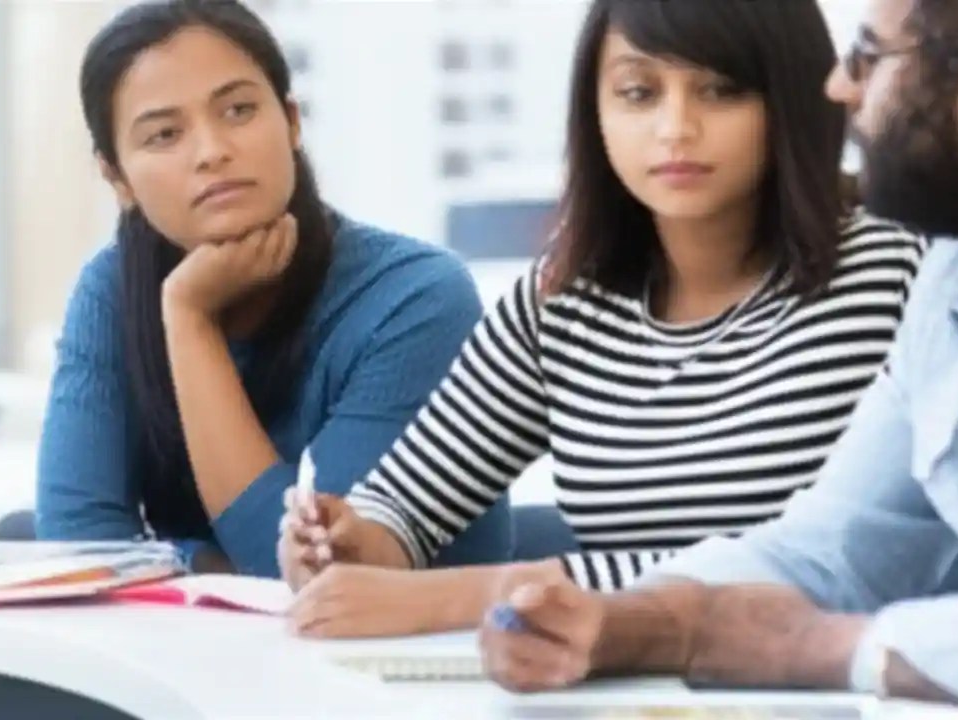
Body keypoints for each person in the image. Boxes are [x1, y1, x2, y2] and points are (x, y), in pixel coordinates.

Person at [474, 0, 958, 710]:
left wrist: (826, 646)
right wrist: (629, 624)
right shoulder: (954, 280)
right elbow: (833, 543)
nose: (839, 87)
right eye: (638, 92)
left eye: (870, 58)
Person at [277, 0, 925, 639]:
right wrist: (344, 543)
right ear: (596, 113)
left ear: (791, 97)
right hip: (620, 684)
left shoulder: (892, 271)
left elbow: (819, 565)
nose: (675, 127)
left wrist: (480, 594)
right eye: (639, 93)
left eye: (721, 90)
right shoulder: (562, 302)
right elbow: (405, 504)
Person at [35, 0, 511, 577]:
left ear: (291, 121)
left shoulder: (418, 298)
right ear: (117, 177)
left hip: (408, 635)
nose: (212, 151)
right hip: (192, 634)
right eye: (164, 134)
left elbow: (314, 573)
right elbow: (78, 547)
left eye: (238, 110)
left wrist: (190, 319)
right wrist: (197, 561)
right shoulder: (111, 290)